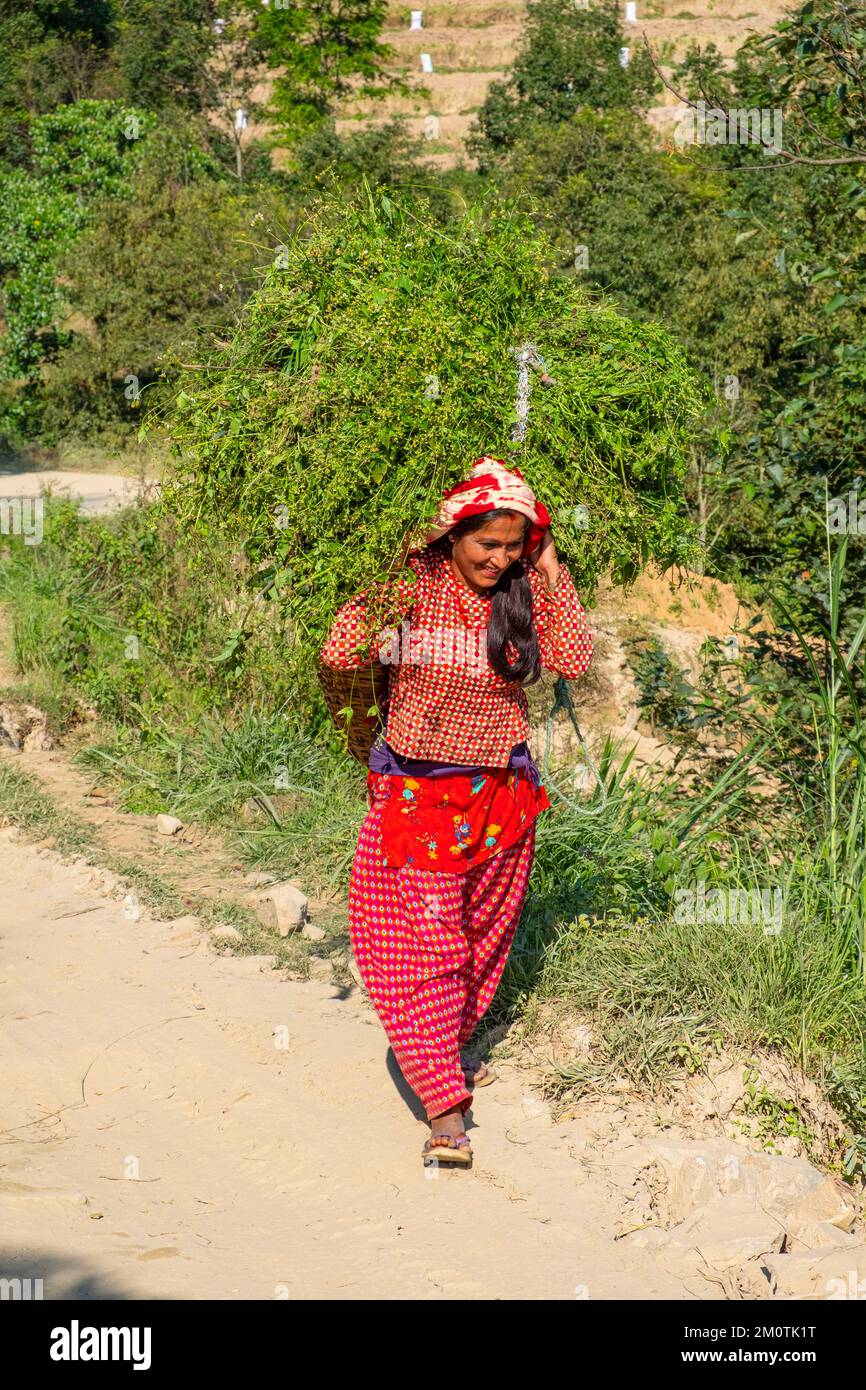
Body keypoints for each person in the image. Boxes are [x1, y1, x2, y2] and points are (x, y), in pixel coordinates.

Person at [320, 457, 594, 1167]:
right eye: (487, 545)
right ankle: (446, 1110)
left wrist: (549, 561)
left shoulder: (525, 587)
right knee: (431, 945)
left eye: (514, 544)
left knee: (480, 939)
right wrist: (391, 572)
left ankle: (440, 1050)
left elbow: (574, 657)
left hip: (502, 793)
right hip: (418, 796)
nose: (499, 559)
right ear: (452, 534)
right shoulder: (413, 583)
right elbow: (340, 648)